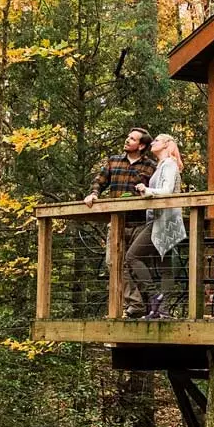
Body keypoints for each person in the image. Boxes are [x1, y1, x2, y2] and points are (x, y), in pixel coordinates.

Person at [85, 127, 157, 317]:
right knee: (112, 263)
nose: (127, 140)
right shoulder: (114, 161)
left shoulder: (150, 166)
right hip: (116, 223)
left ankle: (146, 309)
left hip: (139, 223)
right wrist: (93, 194)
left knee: (135, 264)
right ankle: (135, 303)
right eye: (127, 137)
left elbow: (156, 191)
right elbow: (99, 181)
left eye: (132, 139)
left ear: (141, 145)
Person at [129, 134, 187, 318]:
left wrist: (147, 190)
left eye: (156, 140)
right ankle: (162, 310)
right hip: (163, 219)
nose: (152, 143)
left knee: (131, 257)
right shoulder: (163, 165)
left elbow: (167, 190)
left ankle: (155, 295)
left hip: (163, 220)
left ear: (167, 144)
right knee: (165, 267)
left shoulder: (169, 164)